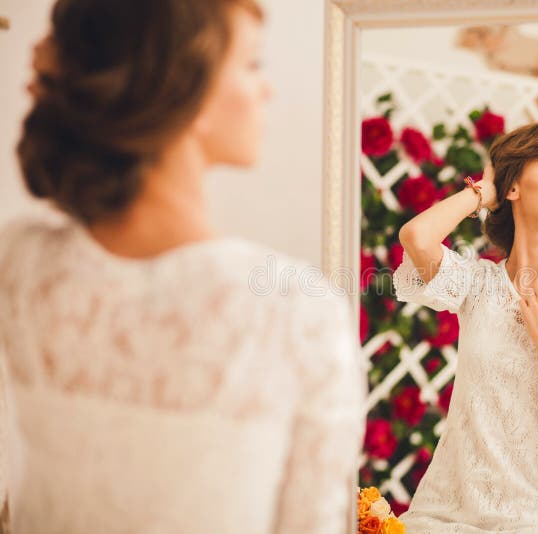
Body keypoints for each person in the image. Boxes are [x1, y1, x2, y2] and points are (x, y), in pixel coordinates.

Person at [0, 1, 365, 532]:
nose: (268, 90)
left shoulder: (21, 265)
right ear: (185, 90)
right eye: (252, 64)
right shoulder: (295, 310)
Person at [392, 120, 538, 532]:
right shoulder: (476, 284)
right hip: (440, 517)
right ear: (514, 187)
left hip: (537, 524)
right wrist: (484, 192)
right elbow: (417, 237)